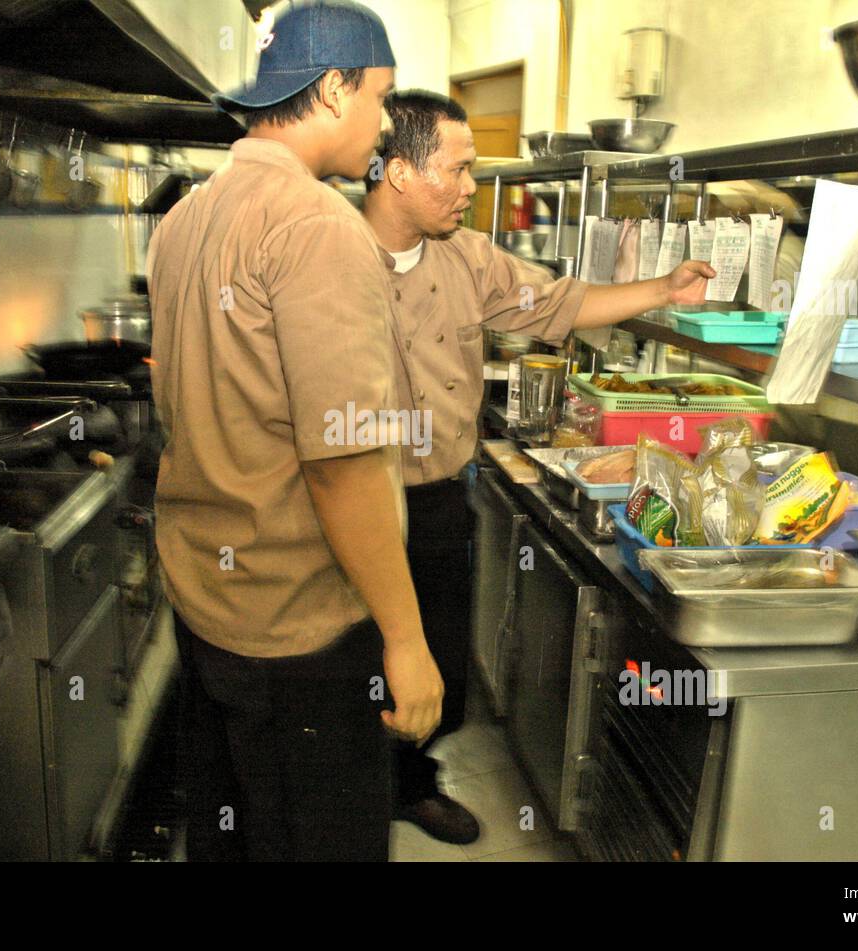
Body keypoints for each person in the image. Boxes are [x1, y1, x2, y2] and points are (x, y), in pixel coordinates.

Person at [361, 90, 713, 844]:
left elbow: (560, 301)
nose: (470, 189)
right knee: (359, 672)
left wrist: (662, 289)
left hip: (438, 500)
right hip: (353, 503)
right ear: (397, 173)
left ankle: (410, 783)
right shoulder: (331, 256)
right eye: (457, 171)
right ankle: (356, 796)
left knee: (438, 677)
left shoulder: (467, 257)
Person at [147, 0, 442, 862]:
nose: (388, 128)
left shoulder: (184, 220)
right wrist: (405, 636)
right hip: (301, 636)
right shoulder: (318, 228)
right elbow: (342, 466)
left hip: (209, 606)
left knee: (233, 834)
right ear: (332, 88)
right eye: (382, 100)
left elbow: (179, 395)